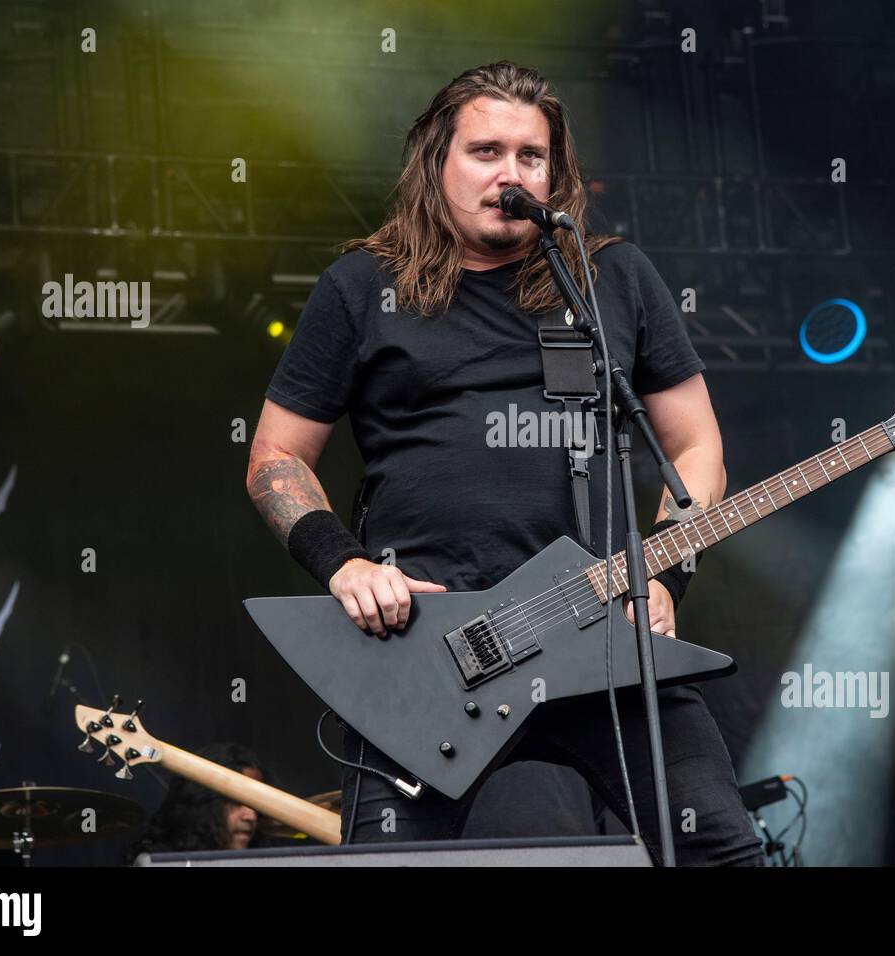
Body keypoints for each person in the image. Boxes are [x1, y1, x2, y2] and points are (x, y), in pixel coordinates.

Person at [246, 61, 761, 866]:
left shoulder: (612, 280)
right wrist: (340, 563)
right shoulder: (361, 287)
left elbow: (694, 444)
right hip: (427, 649)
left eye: (531, 156)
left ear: (554, 173)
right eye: (486, 151)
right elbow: (275, 454)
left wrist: (664, 577)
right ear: (435, 163)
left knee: (720, 847)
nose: (510, 174)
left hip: (601, 635)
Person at [126, 742, 269, 860]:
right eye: (235, 801)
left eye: (255, 805)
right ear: (203, 801)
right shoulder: (157, 860)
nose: (251, 816)